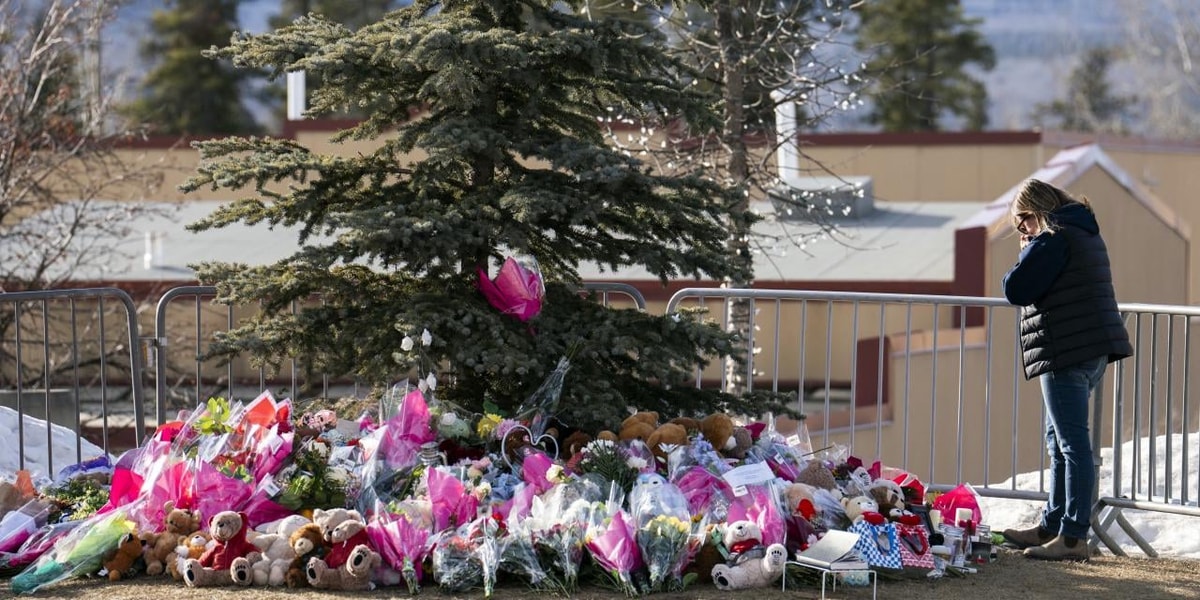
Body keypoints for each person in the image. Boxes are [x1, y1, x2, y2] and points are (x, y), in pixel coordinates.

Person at [999, 178, 1133, 561]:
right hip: (1090, 350)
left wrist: (1026, 250)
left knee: (1072, 446)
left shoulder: (1052, 238)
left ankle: (1072, 537)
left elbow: (1016, 289)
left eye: (1022, 221)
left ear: (1036, 209)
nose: (1021, 230)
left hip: (1065, 350)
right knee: (1059, 443)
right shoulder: (1084, 231)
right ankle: (1051, 525)